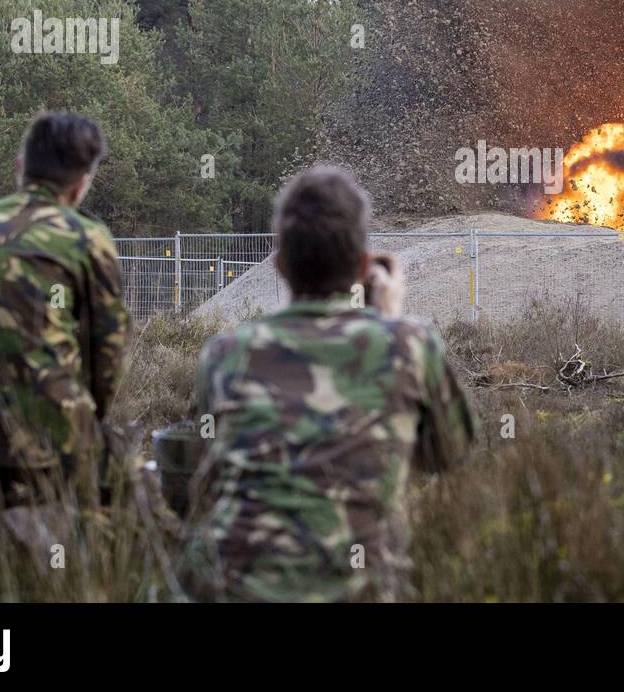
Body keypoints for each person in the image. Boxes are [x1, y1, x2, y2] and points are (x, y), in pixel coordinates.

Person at [184, 165, 476, 602]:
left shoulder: (226, 354)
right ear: (362, 266)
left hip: (238, 588)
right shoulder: (409, 346)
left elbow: (210, 462)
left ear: (280, 264)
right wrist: (390, 322)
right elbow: (448, 454)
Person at [0, 111, 130, 509]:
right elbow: (107, 355)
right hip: (55, 442)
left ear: (20, 167)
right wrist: (87, 423)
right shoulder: (86, 237)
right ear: (82, 182)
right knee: (138, 487)